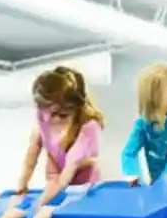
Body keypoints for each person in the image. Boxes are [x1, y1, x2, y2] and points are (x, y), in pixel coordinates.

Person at [15, 67, 104, 208]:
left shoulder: (89, 128)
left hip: (84, 188)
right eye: (46, 112)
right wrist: (21, 187)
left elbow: (66, 175)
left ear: (76, 110)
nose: (51, 120)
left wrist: (35, 207)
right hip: (56, 177)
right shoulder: (44, 116)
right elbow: (33, 150)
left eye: (62, 115)